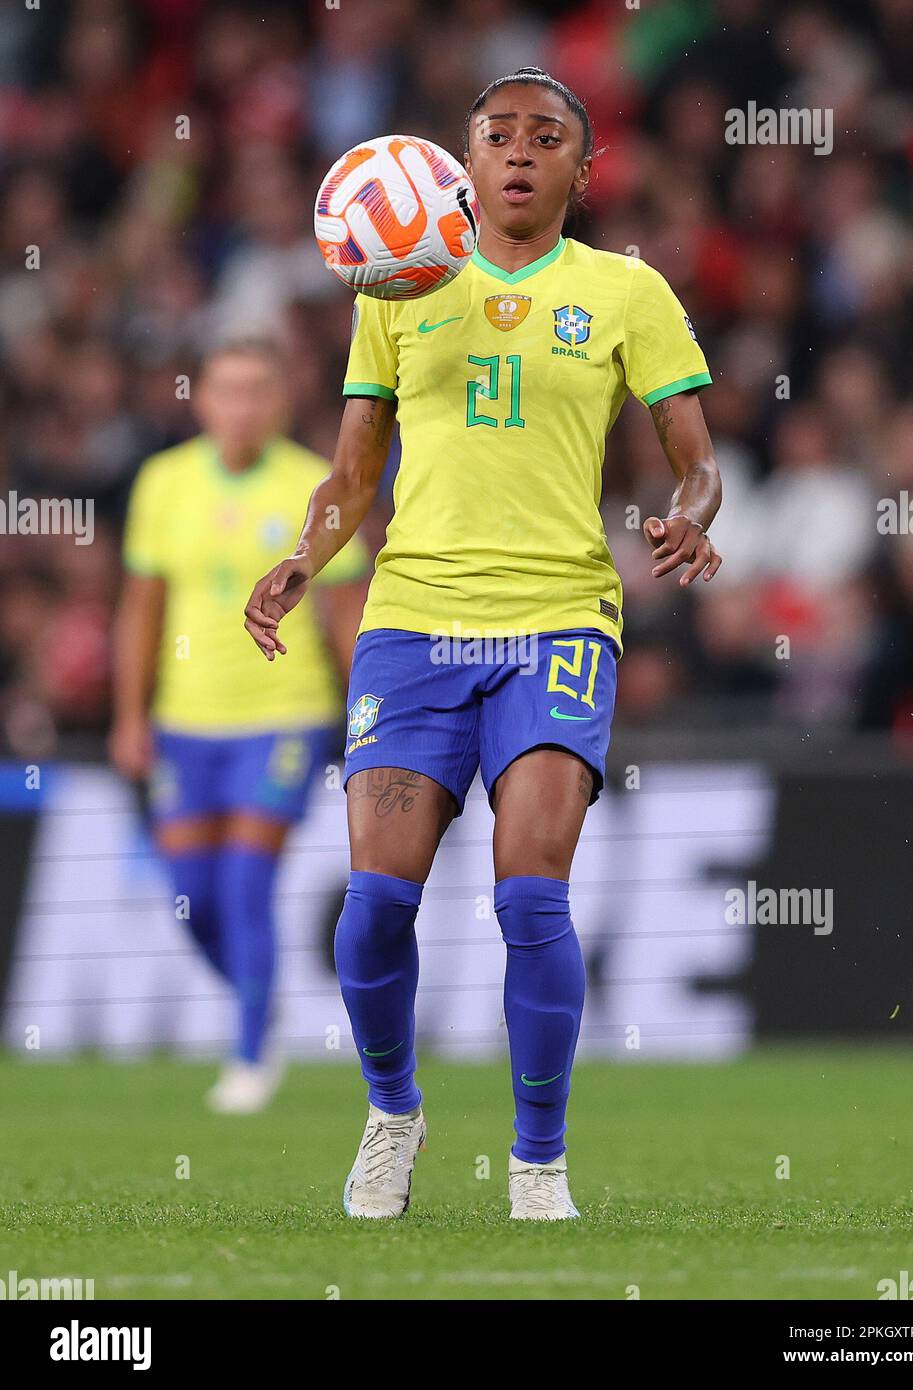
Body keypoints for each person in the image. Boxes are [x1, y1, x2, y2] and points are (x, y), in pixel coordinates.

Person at [244, 68, 723, 1216]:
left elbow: (696, 459)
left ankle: (538, 1160)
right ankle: (394, 1112)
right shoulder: (397, 281)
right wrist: (307, 553)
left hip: (558, 615)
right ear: (461, 162)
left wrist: (688, 521)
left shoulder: (625, 290)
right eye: (495, 134)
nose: (517, 151)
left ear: (580, 168)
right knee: (372, 905)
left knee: (532, 900)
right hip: (412, 619)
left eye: (543, 136)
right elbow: (354, 473)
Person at [111, 339, 368, 1113]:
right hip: (187, 719)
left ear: (281, 401)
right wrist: (130, 715)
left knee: (245, 881)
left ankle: (250, 1051)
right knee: (191, 894)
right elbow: (141, 608)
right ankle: (262, 1002)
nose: (244, 405)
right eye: (229, 390)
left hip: (282, 714)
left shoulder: (311, 487)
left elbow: (345, 615)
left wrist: (371, 714)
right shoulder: (164, 483)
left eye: (260, 390)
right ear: (203, 400)